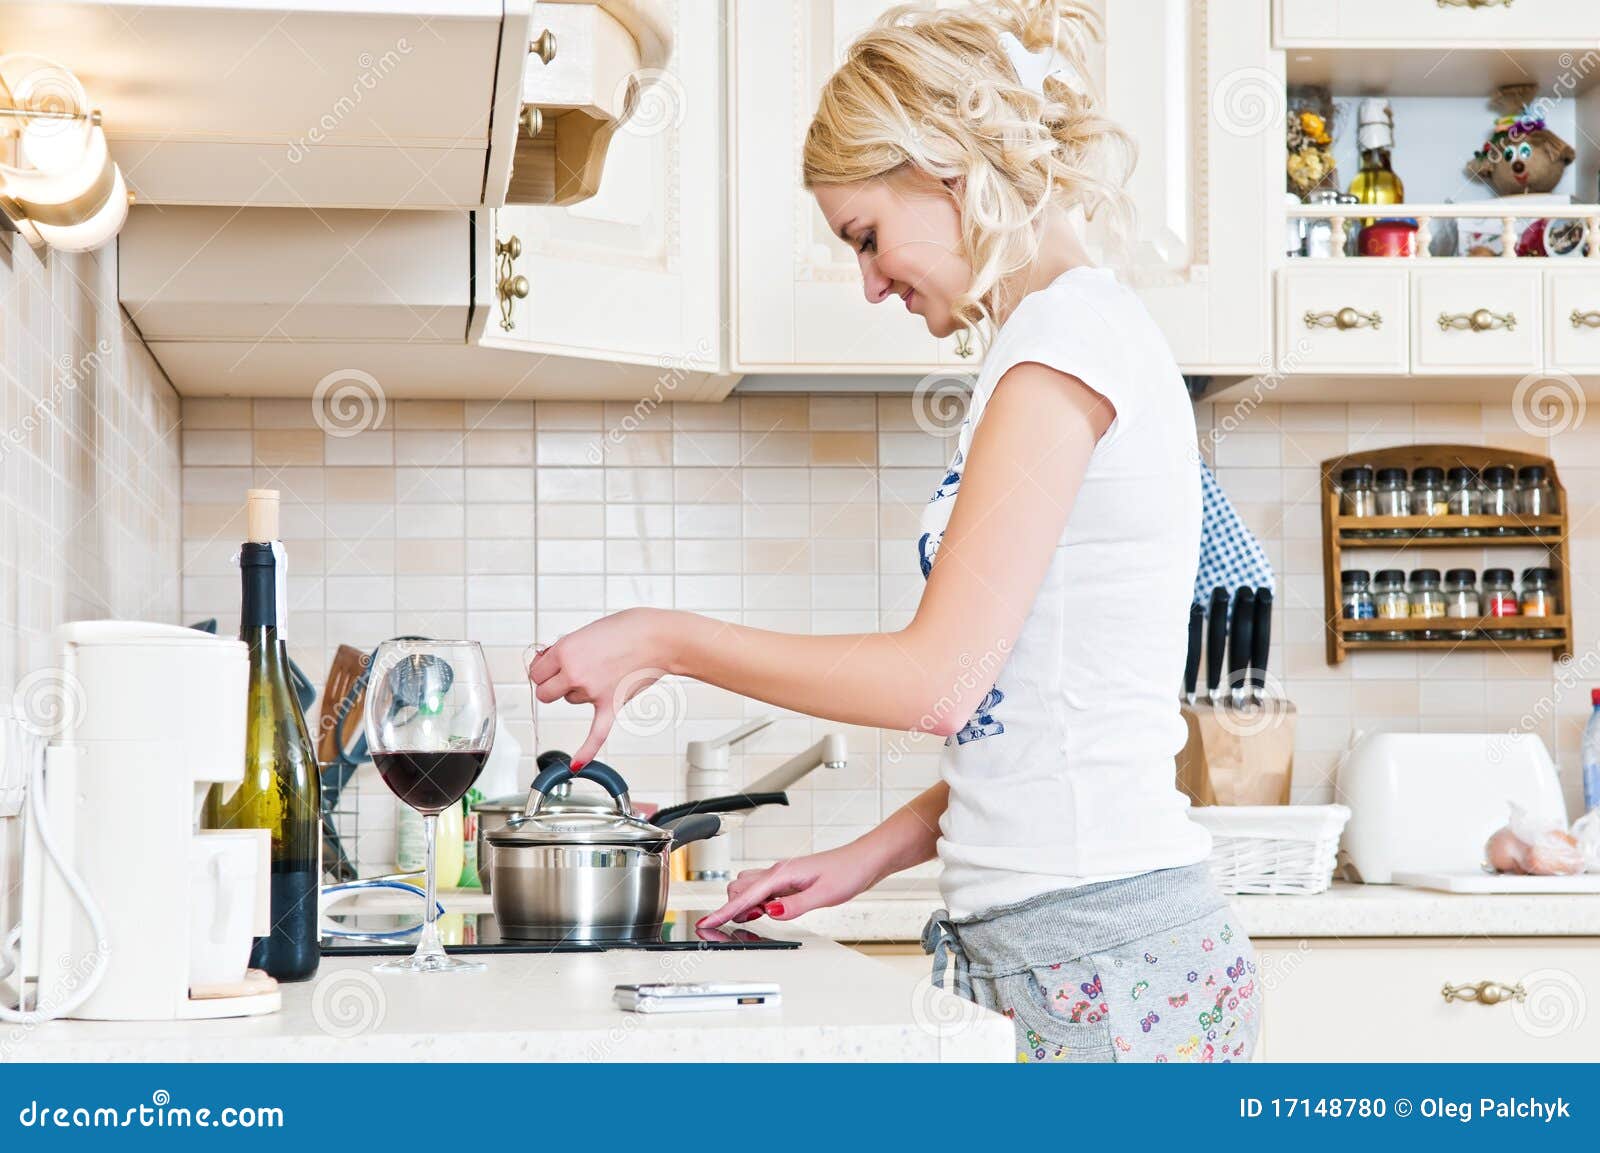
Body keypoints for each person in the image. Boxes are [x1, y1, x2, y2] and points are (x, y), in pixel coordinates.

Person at [528, 0, 1260, 1063]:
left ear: (942, 167)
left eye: (865, 237)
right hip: (1074, 948)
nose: (869, 281)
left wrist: (663, 637)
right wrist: (861, 858)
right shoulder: (1056, 338)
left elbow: (937, 684)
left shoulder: (1066, 340)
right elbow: (1034, 723)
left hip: (1102, 959)